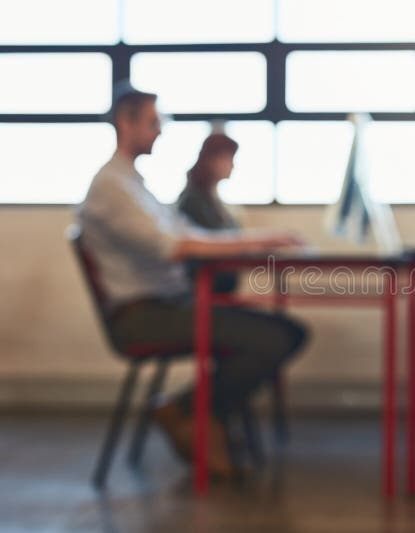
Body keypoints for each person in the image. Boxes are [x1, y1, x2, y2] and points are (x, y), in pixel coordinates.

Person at [78, 81, 309, 479]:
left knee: (282, 332)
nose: (160, 129)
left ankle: (196, 415)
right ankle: (191, 413)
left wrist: (258, 240)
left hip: (168, 304)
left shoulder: (133, 183)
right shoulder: (111, 187)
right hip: (144, 315)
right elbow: (175, 246)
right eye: (153, 121)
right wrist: (257, 242)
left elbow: (188, 234)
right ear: (125, 122)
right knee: (277, 336)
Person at [177, 132, 242, 293]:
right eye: (229, 159)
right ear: (211, 160)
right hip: (205, 293)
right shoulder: (193, 201)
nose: (232, 166)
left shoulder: (213, 199)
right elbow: (212, 244)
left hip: (217, 290)